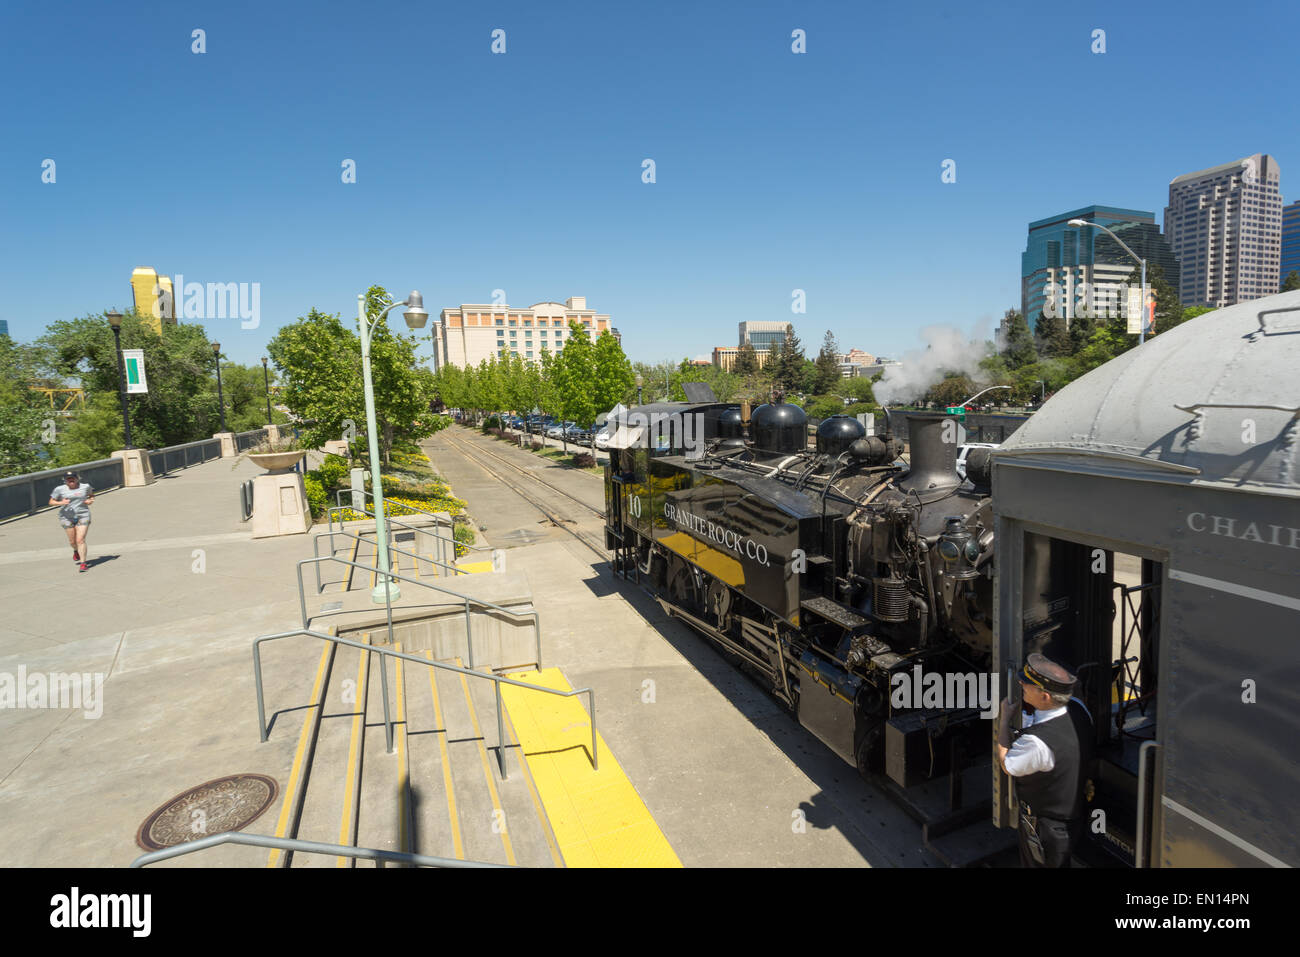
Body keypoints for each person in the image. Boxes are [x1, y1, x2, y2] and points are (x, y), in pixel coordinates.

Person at [997, 653, 1094, 867]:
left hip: (1044, 829)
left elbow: (1007, 763)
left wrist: (1003, 721)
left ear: (1045, 697)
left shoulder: (1037, 743)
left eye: (1029, 683)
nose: (1021, 682)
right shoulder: (1080, 710)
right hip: (1071, 819)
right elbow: (1048, 723)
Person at [49, 470, 94, 572]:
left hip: (83, 515)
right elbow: (51, 501)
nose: (70, 480)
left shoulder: (85, 486)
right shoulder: (59, 489)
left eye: (72, 478)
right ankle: (75, 550)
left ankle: (83, 564)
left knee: (80, 540)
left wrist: (89, 501)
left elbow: (91, 495)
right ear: (65, 480)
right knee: (73, 541)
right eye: (68, 479)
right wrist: (61, 502)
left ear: (77, 478)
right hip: (66, 517)